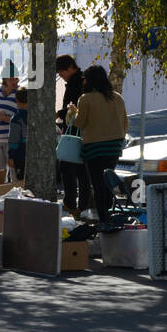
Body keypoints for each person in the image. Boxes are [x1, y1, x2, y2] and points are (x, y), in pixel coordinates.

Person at [70, 65, 127, 225]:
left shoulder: (86, 98)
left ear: (89, 80)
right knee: (107, 181)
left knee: (97, 183)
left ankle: (103, 219)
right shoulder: (117, 97)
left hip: (94, 147)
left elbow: (79, 123)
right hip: (114, 147)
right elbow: (125, 122)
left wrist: (73, 112)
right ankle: (108, 214)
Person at [55, 54, 91, 216]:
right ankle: (78, 204)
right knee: (77, 168)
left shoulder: (77, 81)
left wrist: (59, 113)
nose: (61, 76)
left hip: (76, 130)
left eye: (62, 72)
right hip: (75, 129)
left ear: (70, 68)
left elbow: (74, 106)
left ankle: (74, 203)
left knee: (73, 167)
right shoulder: (78, 79)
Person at [7, 88, 29, 180]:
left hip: (19, 155)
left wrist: (11, 157)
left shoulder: (16, 118)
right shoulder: (35, 116)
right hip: (33, 155)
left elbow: (13, 140)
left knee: (18, 183)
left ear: (16, 100)